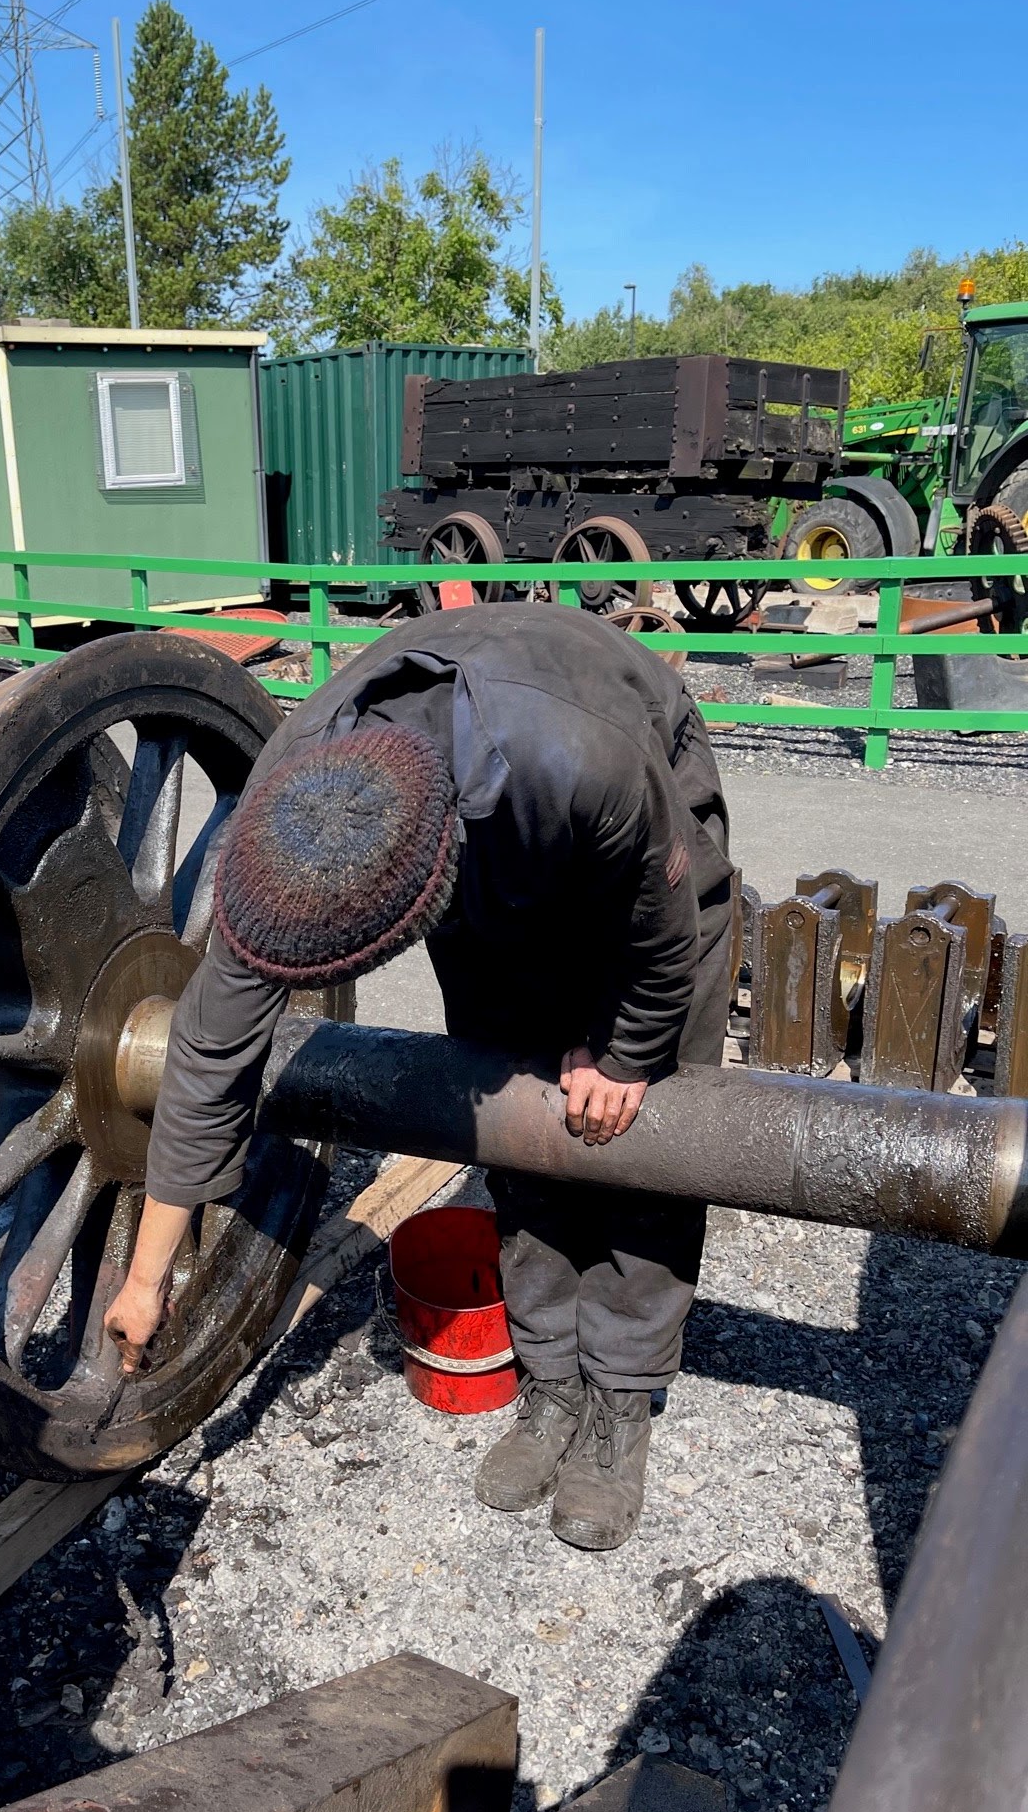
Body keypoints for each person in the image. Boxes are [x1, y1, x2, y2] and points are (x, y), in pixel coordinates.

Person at [104, 602, 734, 1551]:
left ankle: (620, 1403)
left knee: (636, 1136)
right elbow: (208, 1052)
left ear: (427, 881)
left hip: (621, 754)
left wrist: (626, 1053)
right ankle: (553, 1385)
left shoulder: (583, 769)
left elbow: (662, 937)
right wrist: (147, 1276)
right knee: (509, 1107)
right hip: (479, 822)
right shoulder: (294, 819)